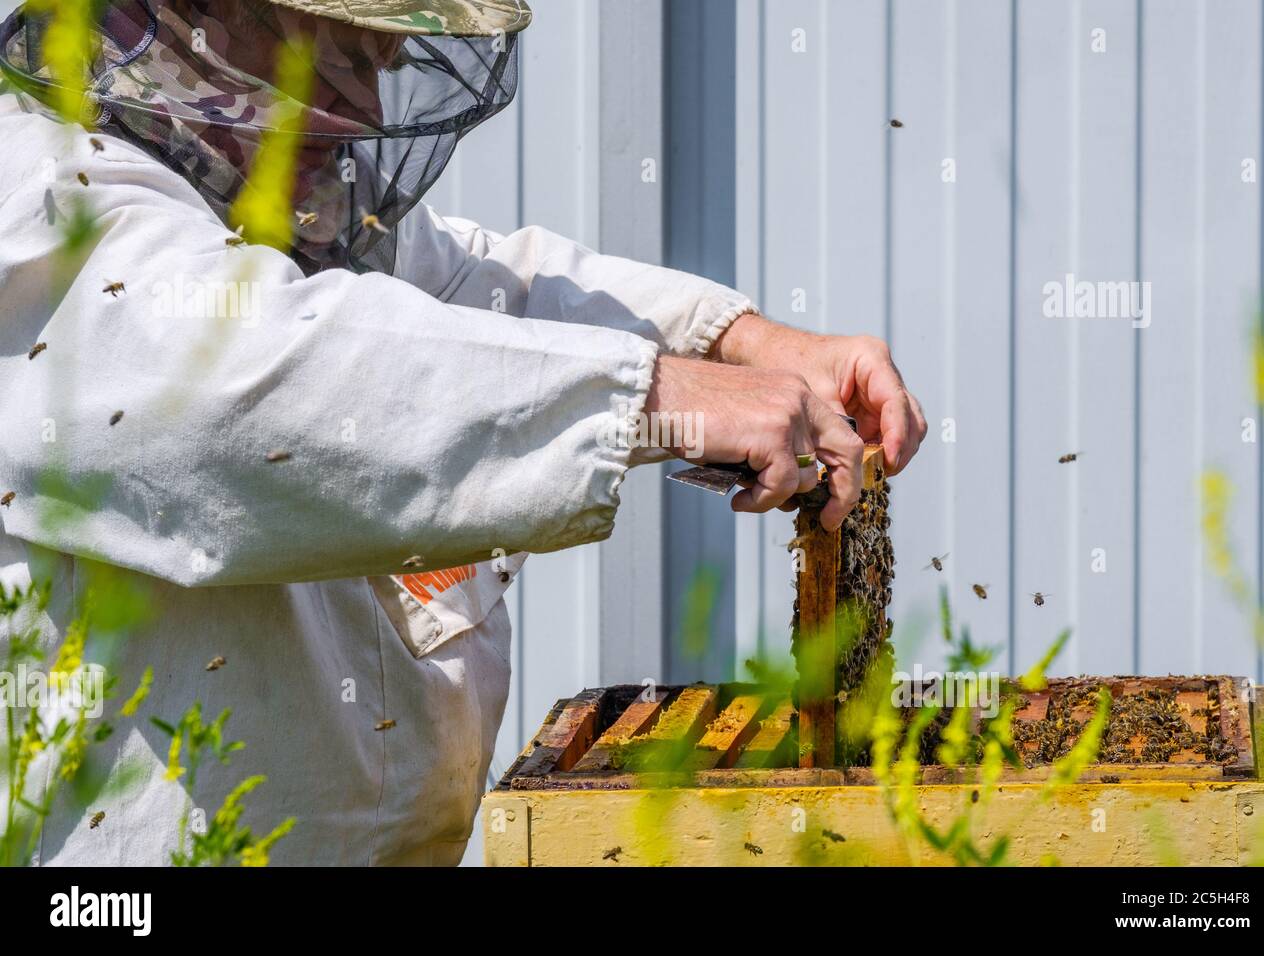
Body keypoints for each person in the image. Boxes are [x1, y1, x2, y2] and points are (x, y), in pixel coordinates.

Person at [0, 0, 926, 865]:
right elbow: (251, 380)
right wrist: (657, 395)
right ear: (192, 14)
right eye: (340, 52)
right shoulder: (38, 206)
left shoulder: (278, 204)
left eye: (384, 60)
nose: (362, 108)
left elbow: (487, 298)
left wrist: (741, 345)